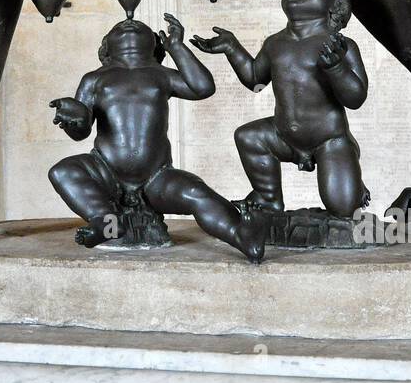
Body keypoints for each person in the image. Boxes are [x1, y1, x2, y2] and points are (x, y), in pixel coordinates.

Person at [47, 15, 265, 263]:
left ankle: (242, 235)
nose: (129, 23)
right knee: (63, 171)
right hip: (105, 169)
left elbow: (202, 87)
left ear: (155, 45)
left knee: (196, 191)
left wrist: (177, 48)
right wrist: (73, 118)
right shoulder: (94, 79)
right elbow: (81, 132)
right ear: (106, 47)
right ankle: (106, 220)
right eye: (119, 26)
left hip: (157, 176)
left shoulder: (161, 74)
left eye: (140, 26)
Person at [191, 0, 369, 217]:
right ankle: (268, 198)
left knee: (344, 209)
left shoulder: (339, 45)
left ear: (334, 6)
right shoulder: (275, 43)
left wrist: (336, 68)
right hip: (282, 135)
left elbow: (356, 99)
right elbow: (255, 80)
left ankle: (355, 185)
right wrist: (231, 48)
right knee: (248, 137)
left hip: (329, 139)